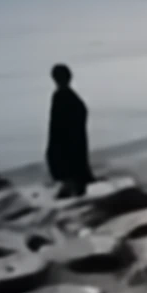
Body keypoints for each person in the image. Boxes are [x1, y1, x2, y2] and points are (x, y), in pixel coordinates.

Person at [46, 64, 95, 197]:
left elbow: (55, 125)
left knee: (71, 177)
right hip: (74, 142)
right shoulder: (68, 96)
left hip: (68, 144)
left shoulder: (62, 96)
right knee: (74, 176)